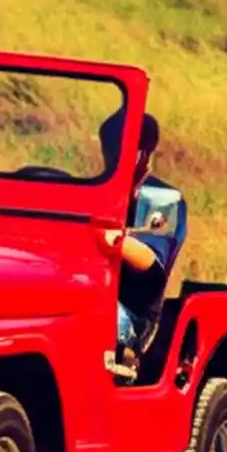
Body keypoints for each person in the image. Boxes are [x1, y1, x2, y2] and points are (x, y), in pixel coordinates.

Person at [96, 107, 188, 379]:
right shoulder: (99, 189)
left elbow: (148, 262)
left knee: (97, 314)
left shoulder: (158, 199)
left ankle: (126, 360)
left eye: (120, 148)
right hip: (89, 290)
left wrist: (110, 240)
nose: (112, 156)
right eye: (109, 147)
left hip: (130, 310)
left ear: (143, 152)